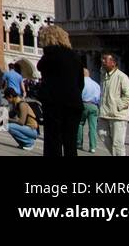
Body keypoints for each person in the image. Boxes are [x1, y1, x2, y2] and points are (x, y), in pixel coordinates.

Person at [35, 24, 84, 158]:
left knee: (53, 143)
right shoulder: (75, 56)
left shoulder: (50, 55)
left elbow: (40, 67)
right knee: (70, 144)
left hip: (54, 105)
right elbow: (80, 83)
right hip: (74, 104)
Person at [96, 52, 129, 156]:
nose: (102, 61)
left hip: (118, 115)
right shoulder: (104, 76)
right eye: (102, 59)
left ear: (113, 62)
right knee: (101, 133)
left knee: (117, 143)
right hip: (104, 113)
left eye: (105, 59)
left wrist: (117, 106)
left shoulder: (122, 77)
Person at [79, 67, 102, 153]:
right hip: (94, 106)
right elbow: (100, 96)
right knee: (93, 127)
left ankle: (79, 144)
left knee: (80, 124)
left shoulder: (80, 83)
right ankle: (93, 147)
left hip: (83, 104)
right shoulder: (96, 84)